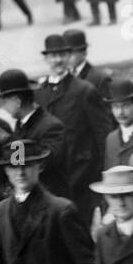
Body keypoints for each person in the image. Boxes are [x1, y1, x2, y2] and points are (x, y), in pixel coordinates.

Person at [35, 33, 113, 226]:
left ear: (68, 56)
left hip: (82, 177)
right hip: (52, 181)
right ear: (45, 59)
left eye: (62, 55)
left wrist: (106, 174)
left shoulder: (83, 90)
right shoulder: (39, 94)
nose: (58, 60)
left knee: (83, 232)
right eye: (53, 56)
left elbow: (104, 136)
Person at [0, 68, 68, 199]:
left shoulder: (51, 126)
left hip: (51, 199)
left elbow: (47, 161)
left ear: (17, 102)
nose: (4, 107)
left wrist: (10, 142)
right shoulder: (21, 124)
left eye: (5, 101)